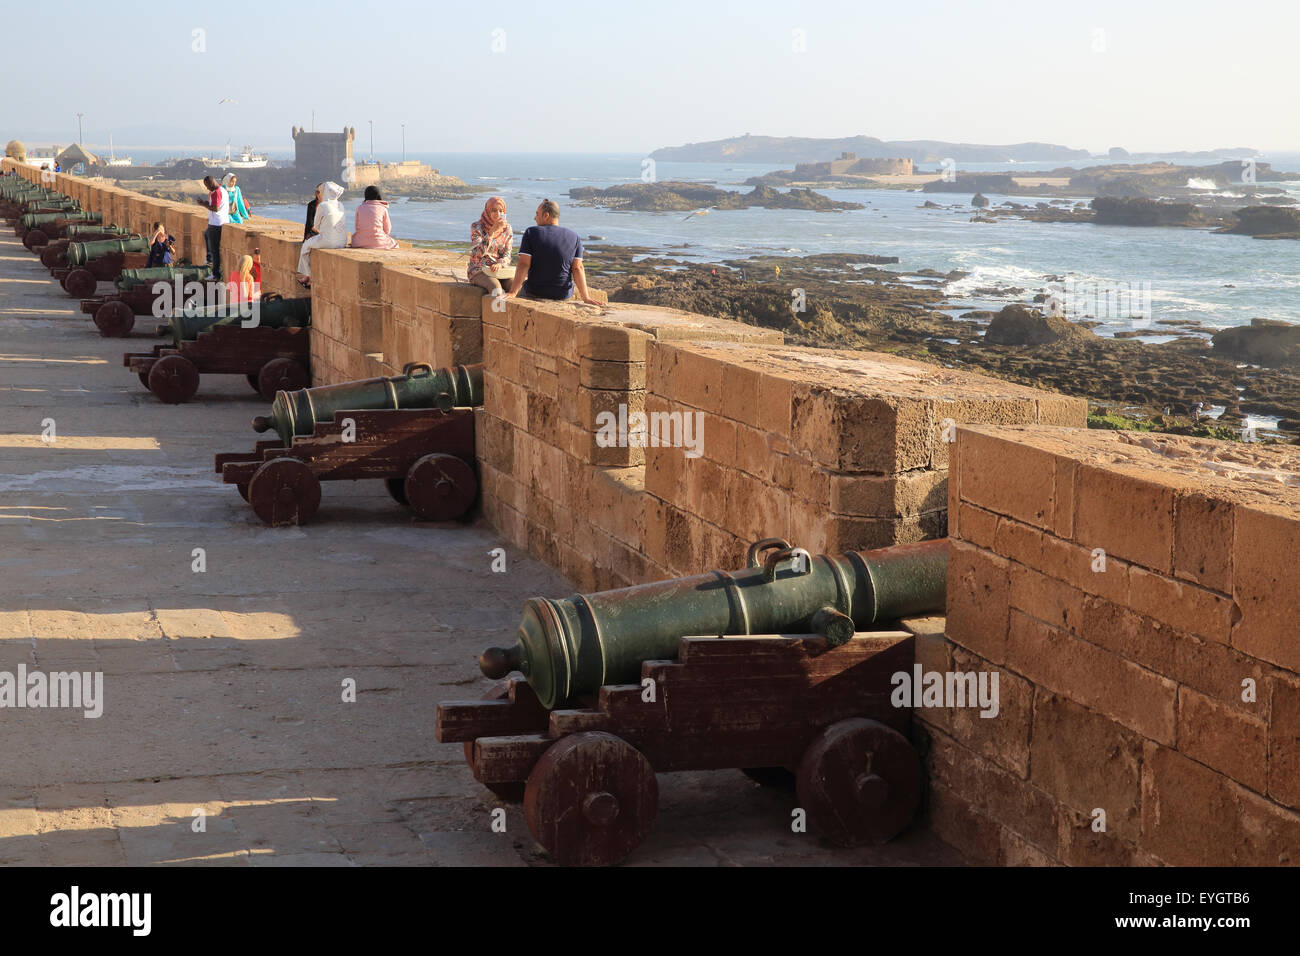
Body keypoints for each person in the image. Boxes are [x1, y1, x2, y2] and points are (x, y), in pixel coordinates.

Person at [506, 199, 599, 304]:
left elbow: (523, 264)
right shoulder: (575, 237)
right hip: (563, 295)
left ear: (546, 216)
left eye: (537, 214)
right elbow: (578, 268)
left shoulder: (531, 232)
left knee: (507, 286)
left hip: (535, 292)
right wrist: (586, 298)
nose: (534, 218)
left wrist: (513, 292)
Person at [296, 181, 346, 288]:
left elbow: (316, 227)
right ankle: (307, 277)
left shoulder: (323, 205)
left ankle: (309, 276)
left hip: (328, 241)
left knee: (305, 247)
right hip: (342, 241)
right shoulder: (340, 204)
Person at [467, 196, 513, 295]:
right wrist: (492, 232)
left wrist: (500, 263)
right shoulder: (476, 227)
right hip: (479, 269)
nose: (498, 214)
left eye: (501, 211)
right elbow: (478, 253)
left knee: (515, 286)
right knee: (496, 288)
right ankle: (496, 311)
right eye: (494, 211)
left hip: (499, 270)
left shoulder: (507, 228)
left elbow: (508, 254)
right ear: (488, 211)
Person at [197, 175, 230, 278]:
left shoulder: (216, 193)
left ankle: (215, 273)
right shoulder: (222, 190)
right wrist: (207, 203)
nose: (207, 188)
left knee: (215, 250)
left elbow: (215, 208)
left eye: (207, 186)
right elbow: (216, 205)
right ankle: (209, 258)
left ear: (211, 183)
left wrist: (203, 204)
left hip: (216, 223)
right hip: (220, 221)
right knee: (206, 234)